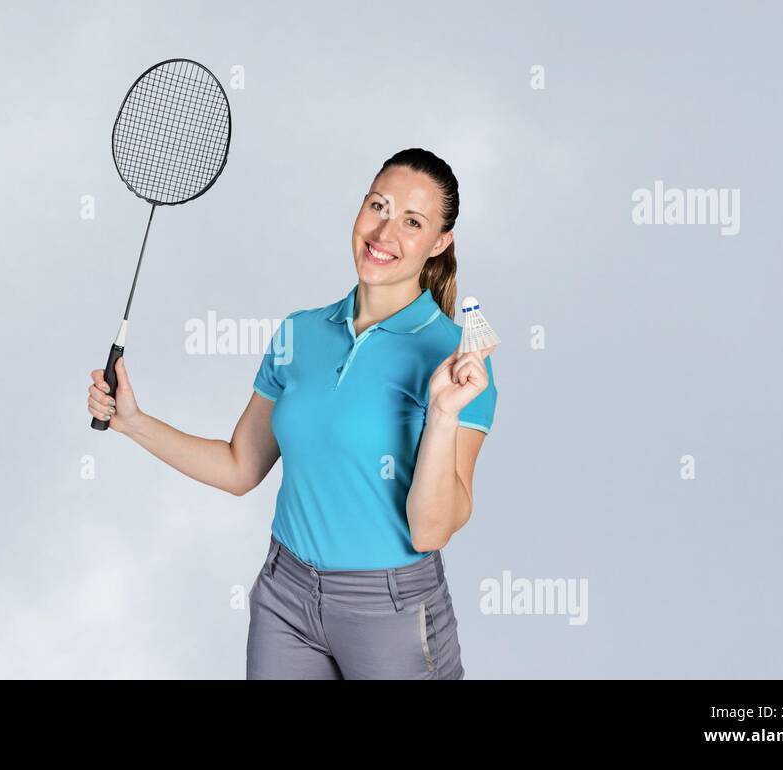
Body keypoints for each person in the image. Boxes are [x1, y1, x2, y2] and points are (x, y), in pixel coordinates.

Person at [86, 147, 498, 679]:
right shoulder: (299, 333)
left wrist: (442, 415)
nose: (384, 232)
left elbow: (430, 532)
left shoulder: (456, 362)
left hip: (390, 610)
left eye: (413, 222)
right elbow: (240, 467)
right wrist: (133, 422)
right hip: (286, 596)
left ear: (440, 242)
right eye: (378, 206)